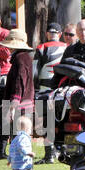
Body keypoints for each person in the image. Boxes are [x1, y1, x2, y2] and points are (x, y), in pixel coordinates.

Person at [0, 29, 35, 157]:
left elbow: (20, 82)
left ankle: (20, 161)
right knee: (22, 136)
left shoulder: (20, 58)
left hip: (20, 106)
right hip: (26, 103)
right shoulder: (25, 58)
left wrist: (14, 104)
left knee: (19, 137)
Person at [34, 22, 66, 162]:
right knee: (63, 120)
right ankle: (64, 150)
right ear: (59, 34)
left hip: (44, 90)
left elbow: (35, 71)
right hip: (62, 90)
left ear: (47, 34)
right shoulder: (67, 47)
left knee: (47, 122)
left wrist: (34, 89)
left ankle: (50, 154)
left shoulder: (41, 48)